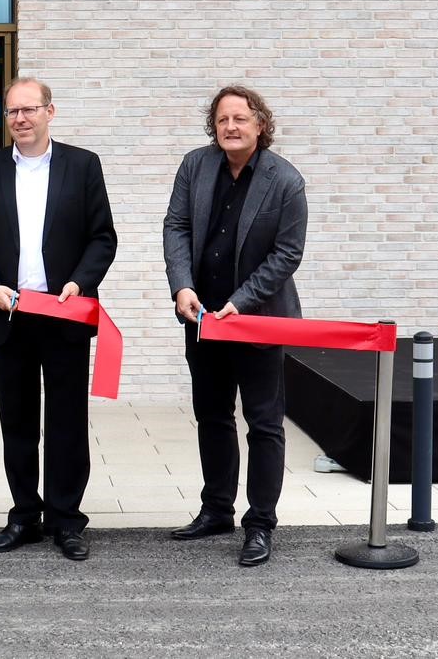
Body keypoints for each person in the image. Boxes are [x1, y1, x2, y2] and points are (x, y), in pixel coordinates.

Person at [0, 77, 117, 562]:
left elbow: (102, 237)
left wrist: (80, 282)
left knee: (68, 420)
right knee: (18, 422)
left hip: (65, 312)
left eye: (29, 109)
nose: (20, 119)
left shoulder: (83, 165)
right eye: (12, 112)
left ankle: (67, 520)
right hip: (9, 315)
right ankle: (25, 515)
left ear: (52, 111)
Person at [163, 84, 307, 567]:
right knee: (212, 415)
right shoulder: (194, 166)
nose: (231, 127)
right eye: (223, 119)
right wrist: (182, 286)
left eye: (240, 119)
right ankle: (216, 509)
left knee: (264, 423)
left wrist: (241, 303)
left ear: (260, 124)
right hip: (201, 317)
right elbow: (176, 226)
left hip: (259, 320)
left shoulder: (285, 180)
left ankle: (261, 523)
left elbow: (288, 254)